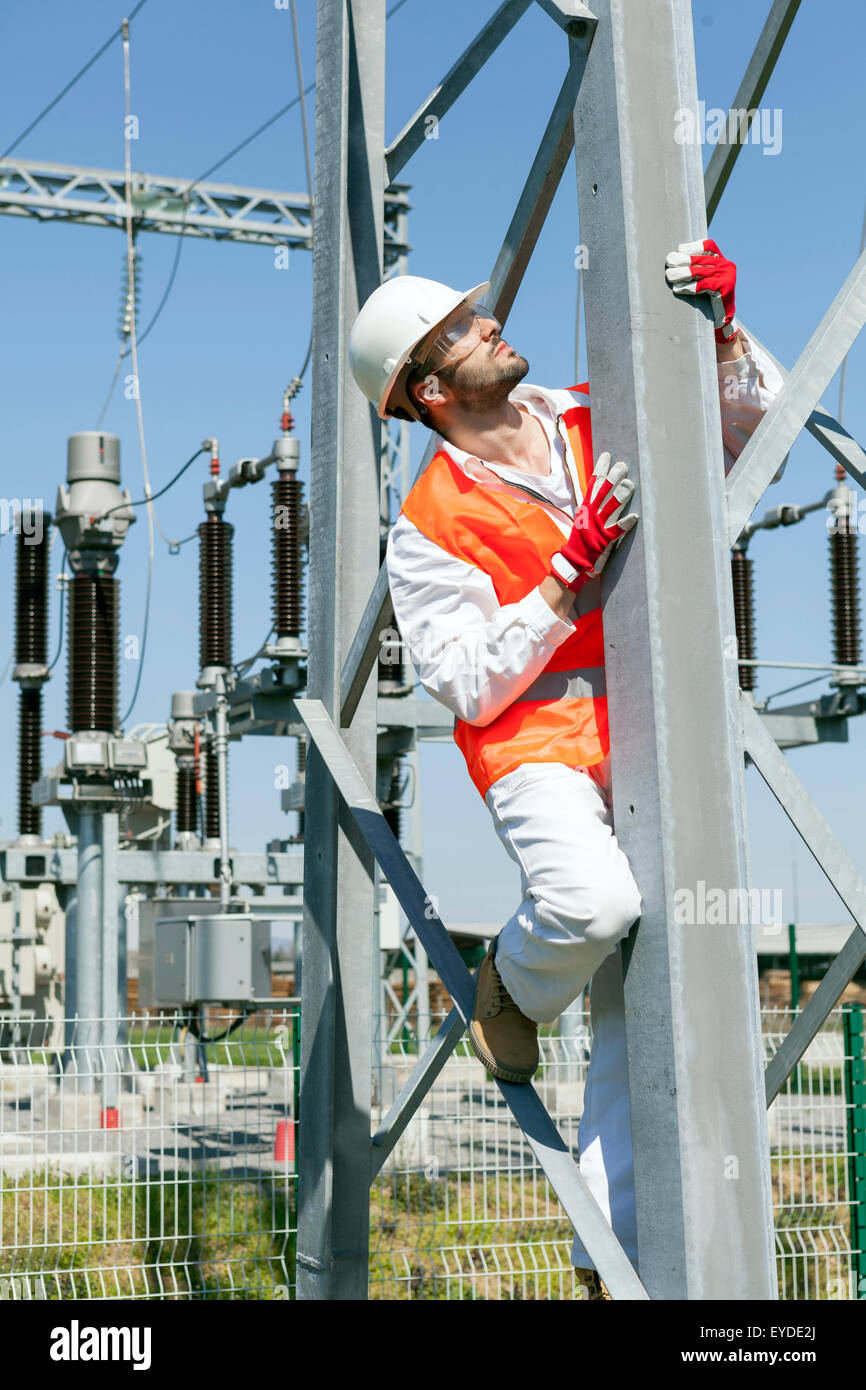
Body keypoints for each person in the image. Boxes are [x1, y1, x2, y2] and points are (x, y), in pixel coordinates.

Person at [348, 242, 785, 1294]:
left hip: (650, 729)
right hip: (536, 747)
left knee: (648, 1004)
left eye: (474, 310)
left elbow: (739, 430)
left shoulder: (604, 412)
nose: (485, 319)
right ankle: (503, 981)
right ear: (430, 389)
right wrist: (558, 579)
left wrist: (721, 336)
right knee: (591, 908)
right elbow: (463, 682)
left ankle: (609, 1263)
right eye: (458, 327)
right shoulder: (426, 527)